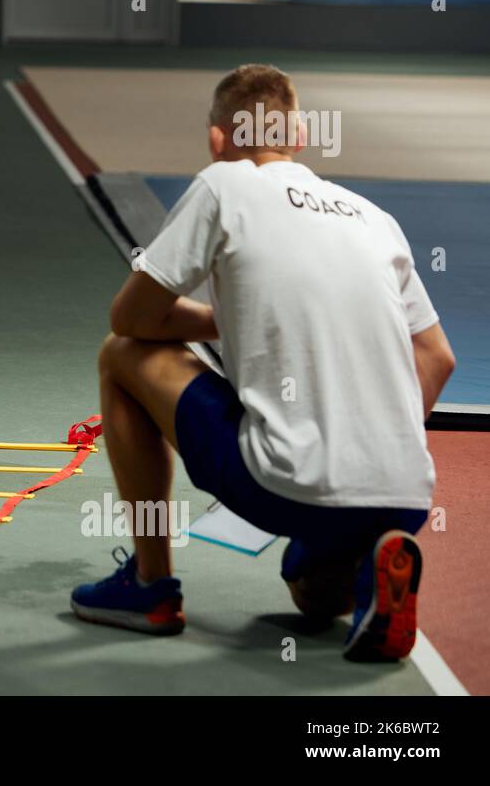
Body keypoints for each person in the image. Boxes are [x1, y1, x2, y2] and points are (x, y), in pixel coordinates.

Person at [71, 64, 456, 661]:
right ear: (299, 136)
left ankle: (150, 587)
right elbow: (437, 356)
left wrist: (223, 318)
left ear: (218, 141)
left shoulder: (224, 185)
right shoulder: (376, 218)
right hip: (405, 493)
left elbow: (132, 320)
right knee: (309, 595)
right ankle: (369, 563)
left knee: (119, 356)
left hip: (287, 485)